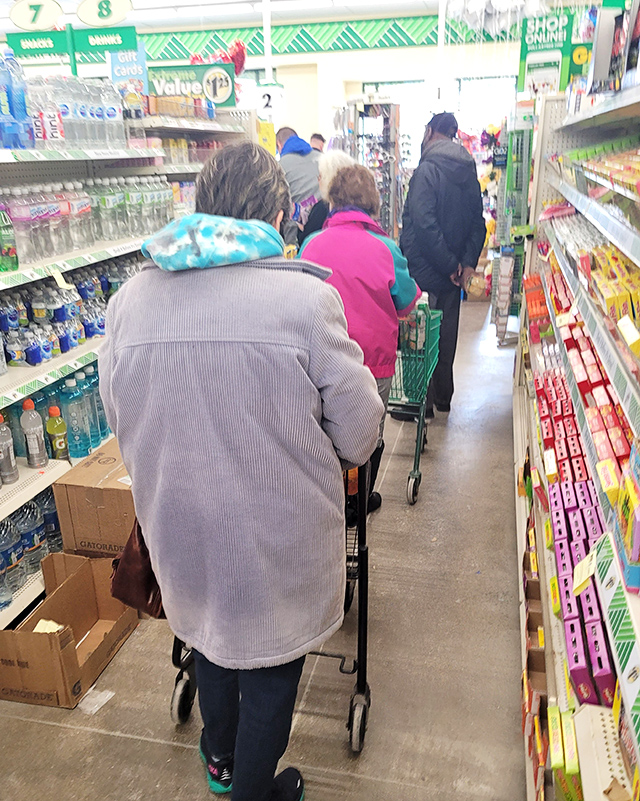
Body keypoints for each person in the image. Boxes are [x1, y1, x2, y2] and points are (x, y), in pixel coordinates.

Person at [99, 142, 383, 801]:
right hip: (274, 530)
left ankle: (220, 761)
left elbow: (121, 413)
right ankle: (253, 790)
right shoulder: (304, 303)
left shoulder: (131, 302)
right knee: (272, 663)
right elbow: (362, 426)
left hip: (181, 524)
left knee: (209, 637)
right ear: (282, 215)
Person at [300, 164, 421, 517]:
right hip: (373, 361)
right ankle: (359, 500)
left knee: (321, 430)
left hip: (317, 358)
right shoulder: (386, 248)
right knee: (367, 431)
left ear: (333, 200)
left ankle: (326, 501)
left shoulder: (311, 244)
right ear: (373, 203)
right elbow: (407, 301)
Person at [400, 112, 486, 418]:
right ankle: (443, 398)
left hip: (426, 270)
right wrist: (465, 265)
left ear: (429, 132)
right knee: (446, 334)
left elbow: (424, 224)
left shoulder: (426, 172)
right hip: (454, 277)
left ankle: (420, 403)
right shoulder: (468, 171)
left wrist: (449, 264)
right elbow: (478, 224)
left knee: (420, 335)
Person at [298, 149, 354, 246]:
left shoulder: (322, 208)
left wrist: (301, 227)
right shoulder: (359, 205)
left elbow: (307, 243)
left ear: (327, 178)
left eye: (320, 176)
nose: (318, 180)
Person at [276, 126, 321, 208]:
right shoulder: (322, 158)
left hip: (296, 218)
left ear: (279, 144)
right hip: (326, 217)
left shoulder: (279, 166)